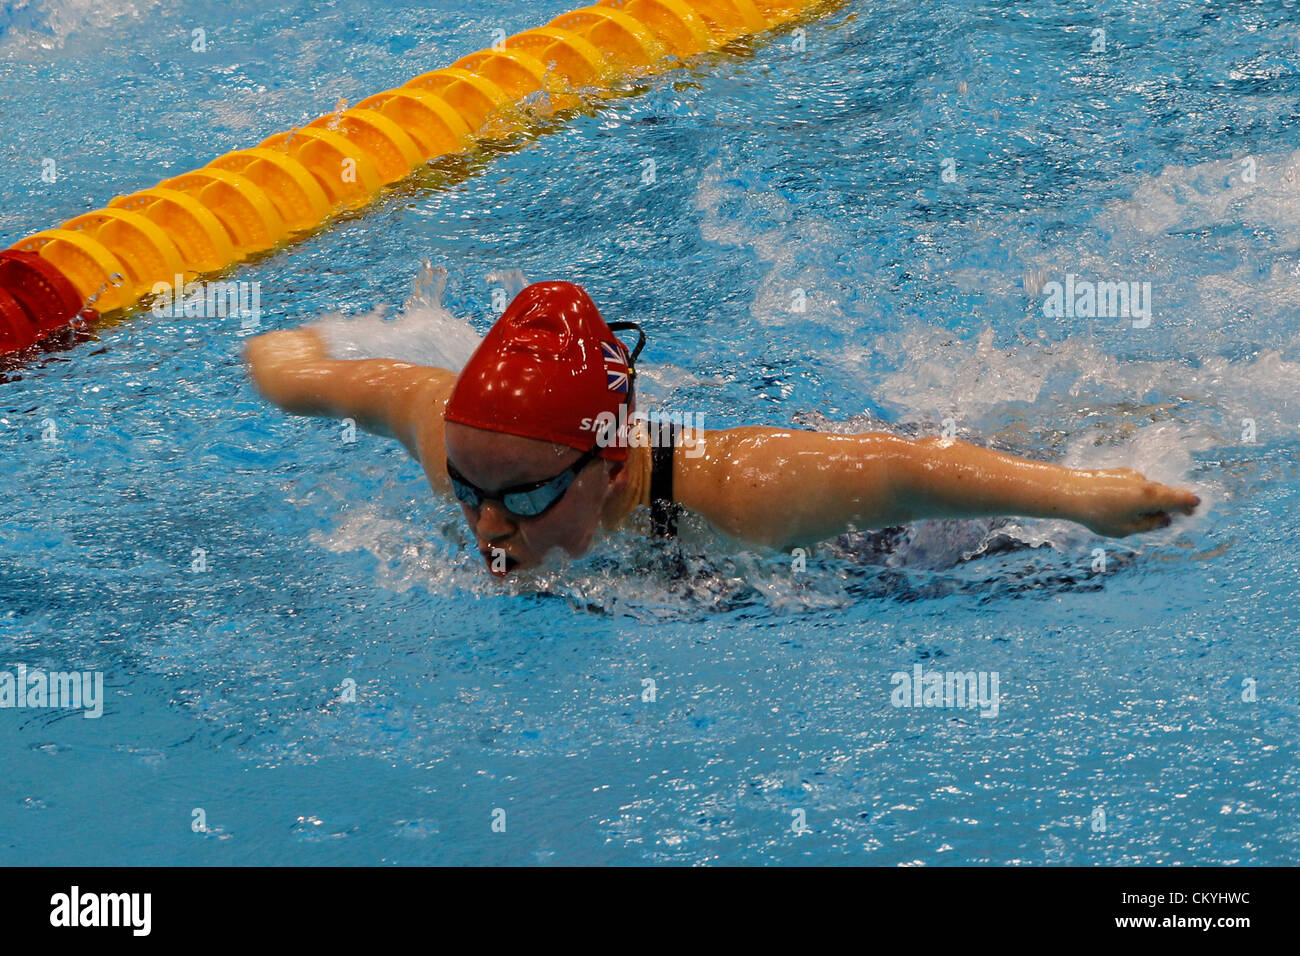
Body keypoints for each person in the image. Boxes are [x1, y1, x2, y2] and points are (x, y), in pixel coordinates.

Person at [244, 281, 1200, 577]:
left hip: (890, 539)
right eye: (468, 492)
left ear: (610, 466)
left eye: (526, 499)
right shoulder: (460, 438)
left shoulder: (744, 487)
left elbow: (909, 467)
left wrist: (1088, 499)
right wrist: (280, 353)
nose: (487, 528)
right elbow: (314, 379)